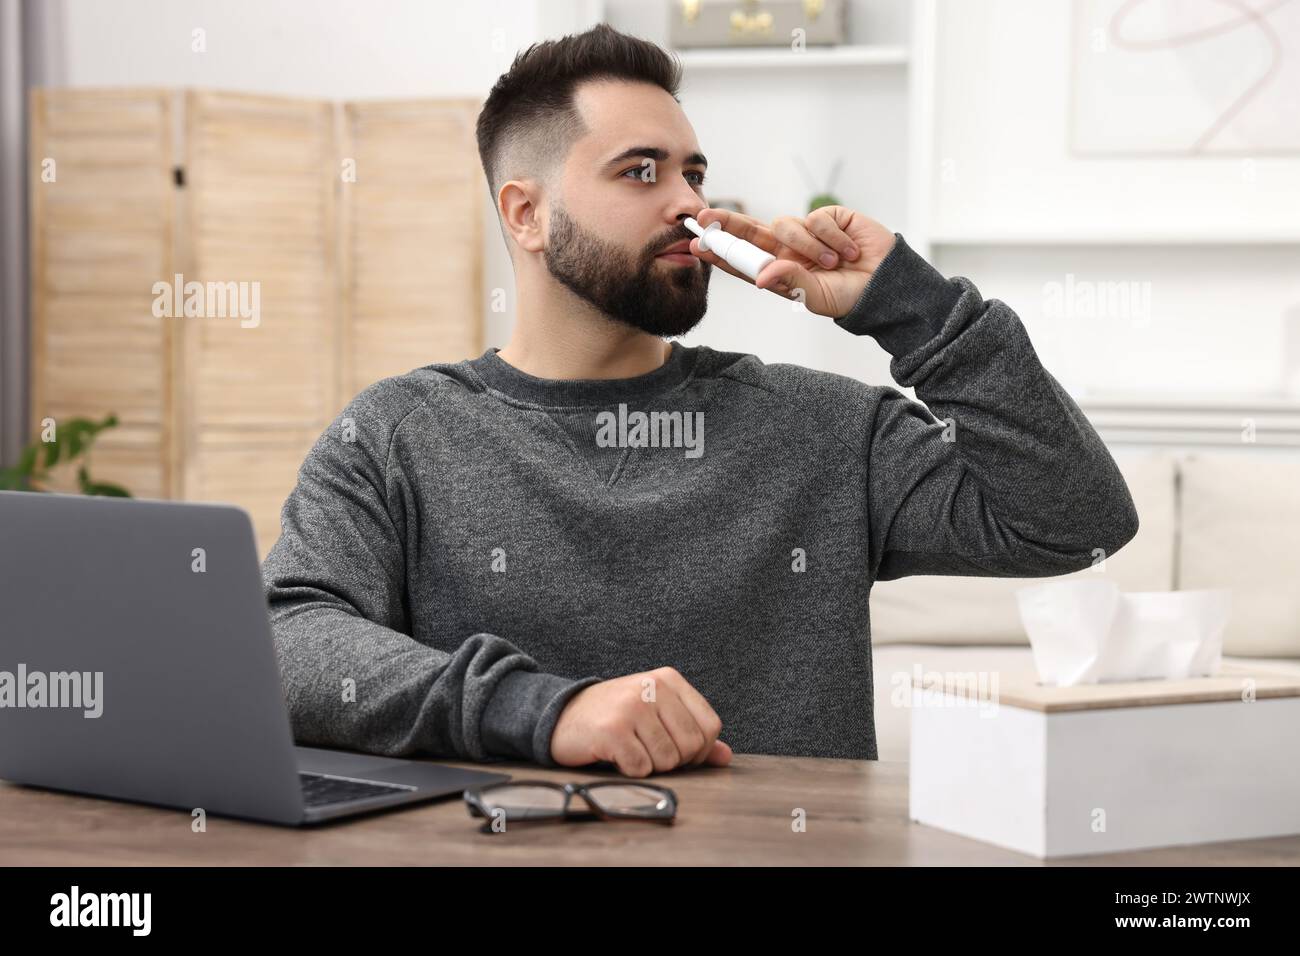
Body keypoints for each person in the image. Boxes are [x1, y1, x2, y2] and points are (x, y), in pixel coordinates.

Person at [261, 24, 1139, 778]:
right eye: (641, 172)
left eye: (693, 173)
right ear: (526, 214)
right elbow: (281, 645)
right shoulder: (397, 435)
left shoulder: (825, 429)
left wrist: (909, 303)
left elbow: (1075, 521)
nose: (690, 205)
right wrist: (544, 713)